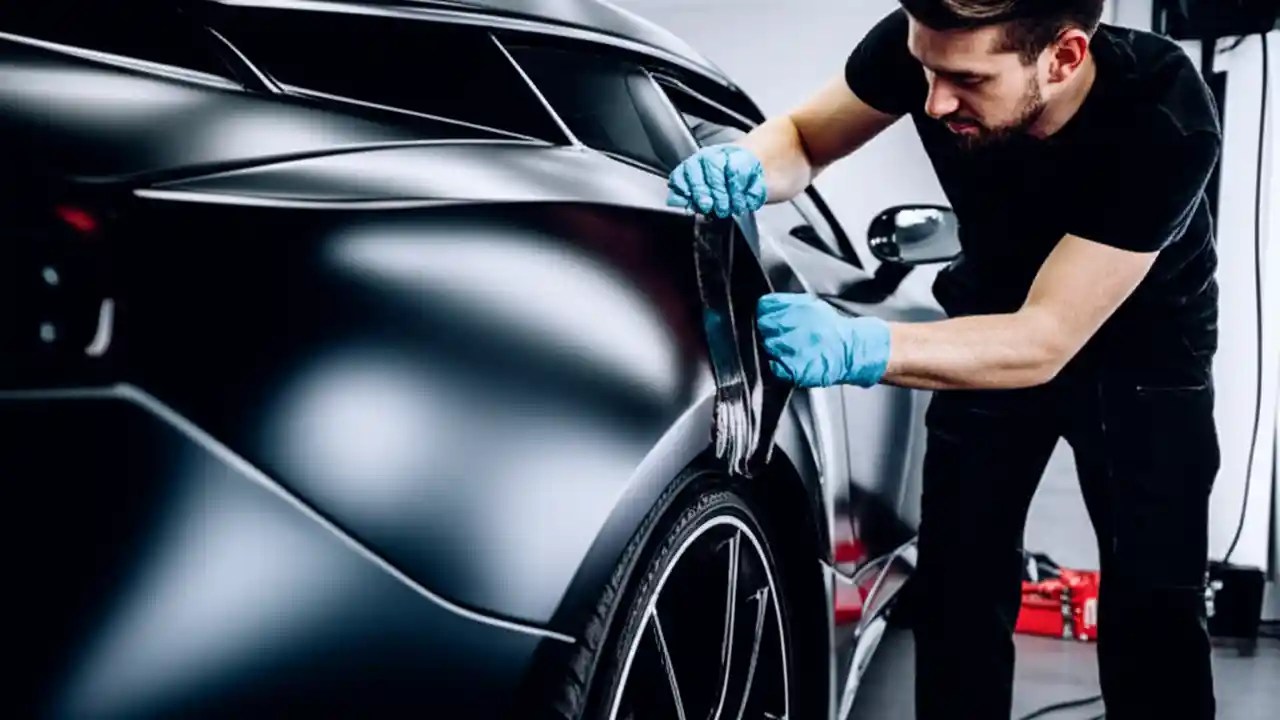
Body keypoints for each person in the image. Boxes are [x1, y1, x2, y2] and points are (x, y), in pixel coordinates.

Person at [665, 1, 1223, 718]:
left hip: (1146, 358)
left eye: (965, 79)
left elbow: (1045, 338)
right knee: (958, 590)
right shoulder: (925, 48)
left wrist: (862, 345)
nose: (932, 101)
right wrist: (753, 161)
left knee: (1155, 609)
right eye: (926, 71)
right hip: (986, 320)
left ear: (1063, 58)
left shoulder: (1166, 117)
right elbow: (804, 139)